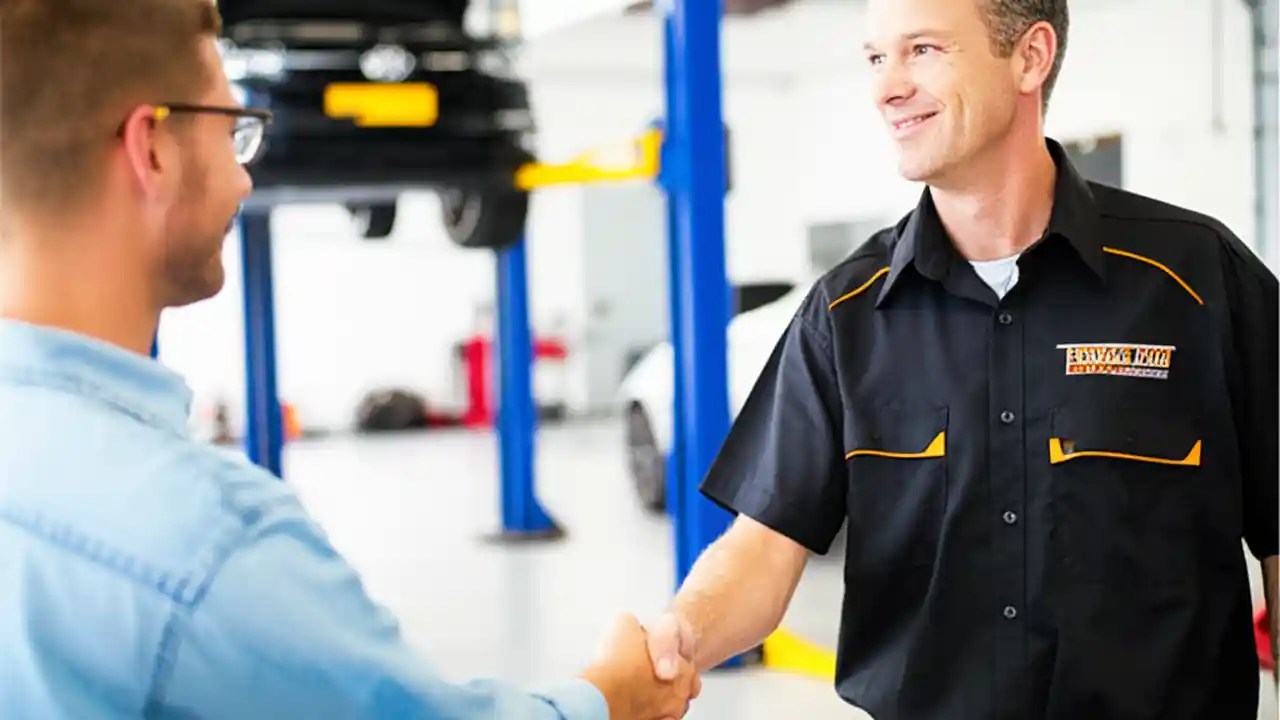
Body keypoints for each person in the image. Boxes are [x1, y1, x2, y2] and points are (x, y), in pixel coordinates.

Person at [0, 1, 700, 718]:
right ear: (151, 149)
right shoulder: (204, 544)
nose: (244, 178)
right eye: (232, 130)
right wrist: (613, 697)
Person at [643, 0, 1279, 717]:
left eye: (923, 50)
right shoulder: (846, 313)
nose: (886, 86)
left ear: (1029, 58)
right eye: (876, 58)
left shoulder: (1197, 280)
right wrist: (683, 636)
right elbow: (763, 545)